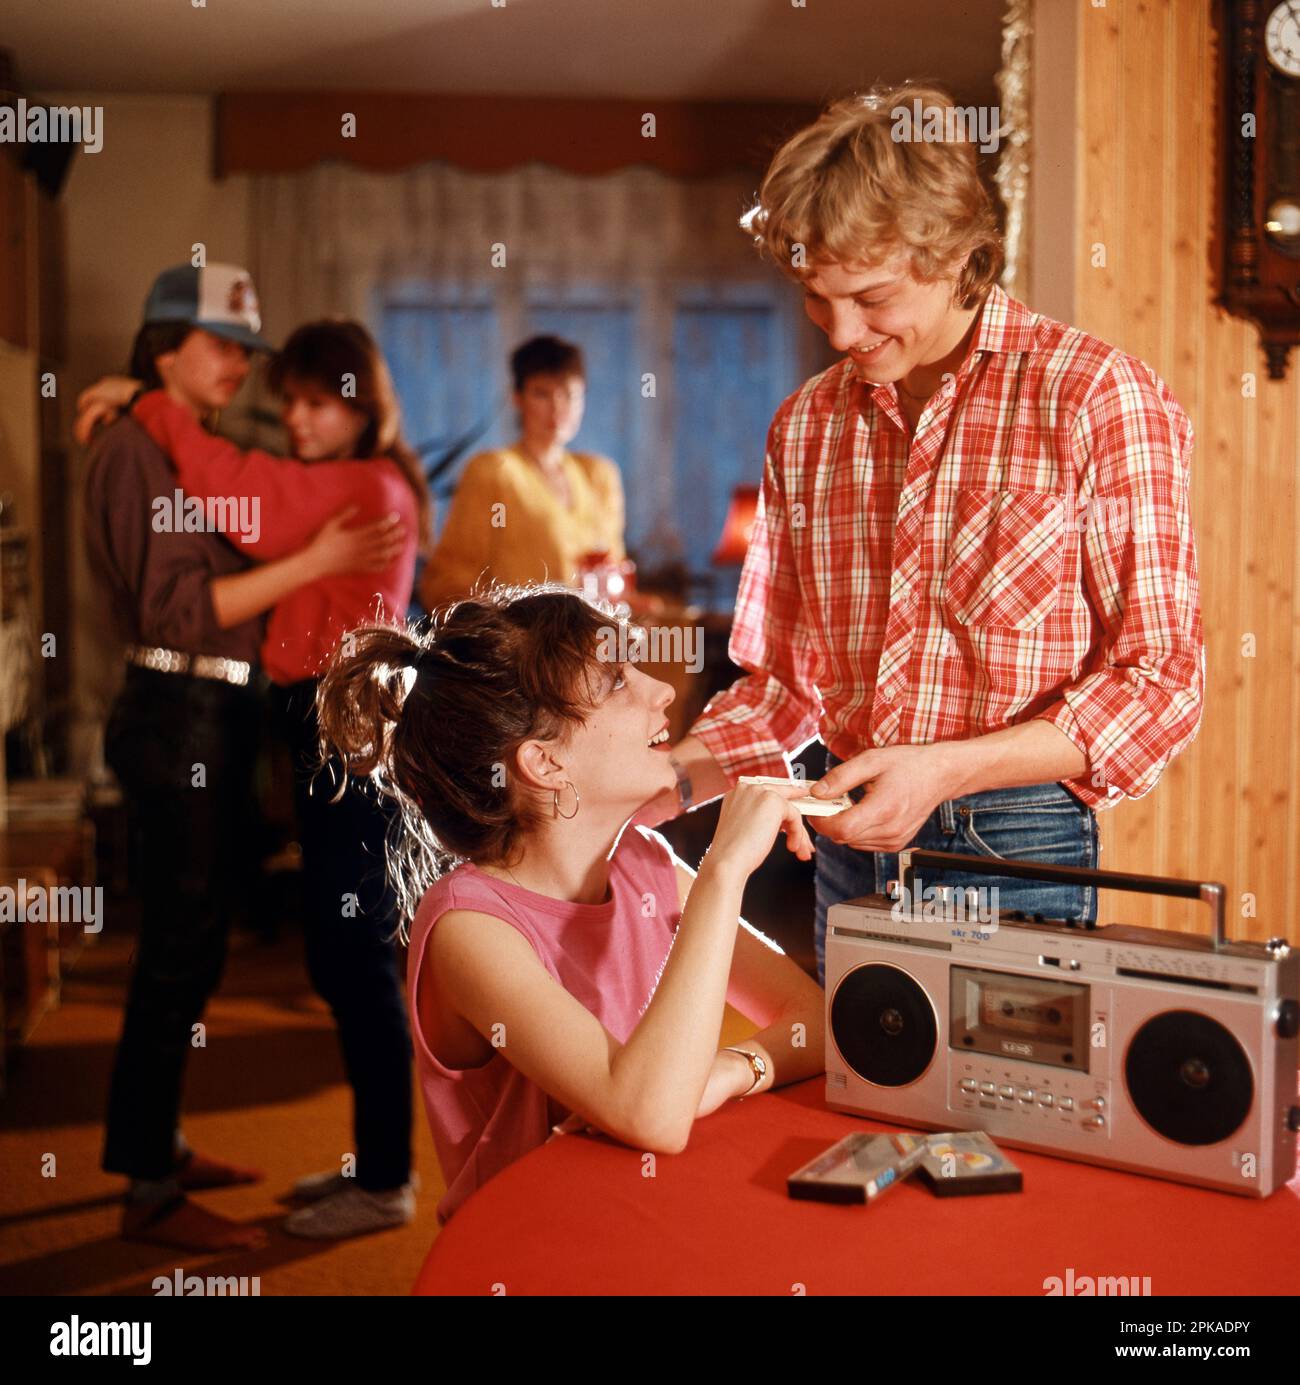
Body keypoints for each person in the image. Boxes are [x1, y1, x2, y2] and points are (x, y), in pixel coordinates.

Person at [643, 82, 1206, 985]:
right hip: (847, 842)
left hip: (1014, 840)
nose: (839, 333)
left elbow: (1160, 681)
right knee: (864, 1101)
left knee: (1000, 1118)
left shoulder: (1095, 398)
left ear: (956, 253)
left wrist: (944, 770)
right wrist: (664, 784)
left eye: (870, 297)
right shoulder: (806, 427)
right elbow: (784, 686)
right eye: (815, 300)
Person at [314, 585, 825, 1225]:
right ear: (546, 762)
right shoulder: (468, 927)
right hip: (535, 1258)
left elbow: (815, 1021)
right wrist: (724, 871)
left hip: (643, 1221)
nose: (661, 691)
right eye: (615, 681)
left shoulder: (645, 863)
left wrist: (719, 1075)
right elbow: (651, 1114)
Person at [82, 264, 403, 1252]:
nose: (243, 367)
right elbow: (175, 607)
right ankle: (147, 1181)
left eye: (250, 352)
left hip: (223, 716)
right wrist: (311, 566)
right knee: (181, 949)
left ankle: (160, 1148)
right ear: (163, 349)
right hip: (179, 705)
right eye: (224, 345)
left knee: (205, 942)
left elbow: (248, 497)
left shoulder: (191, 445)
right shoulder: (136, 445)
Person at [417, 335, 627, 611]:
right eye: (542, 393)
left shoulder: (598, 476)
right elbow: (448, 581)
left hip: (587, 643)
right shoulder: (494, 471)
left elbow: (616, 578)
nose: (557, 408)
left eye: (569, 394)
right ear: (518, 398)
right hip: (518, 644)